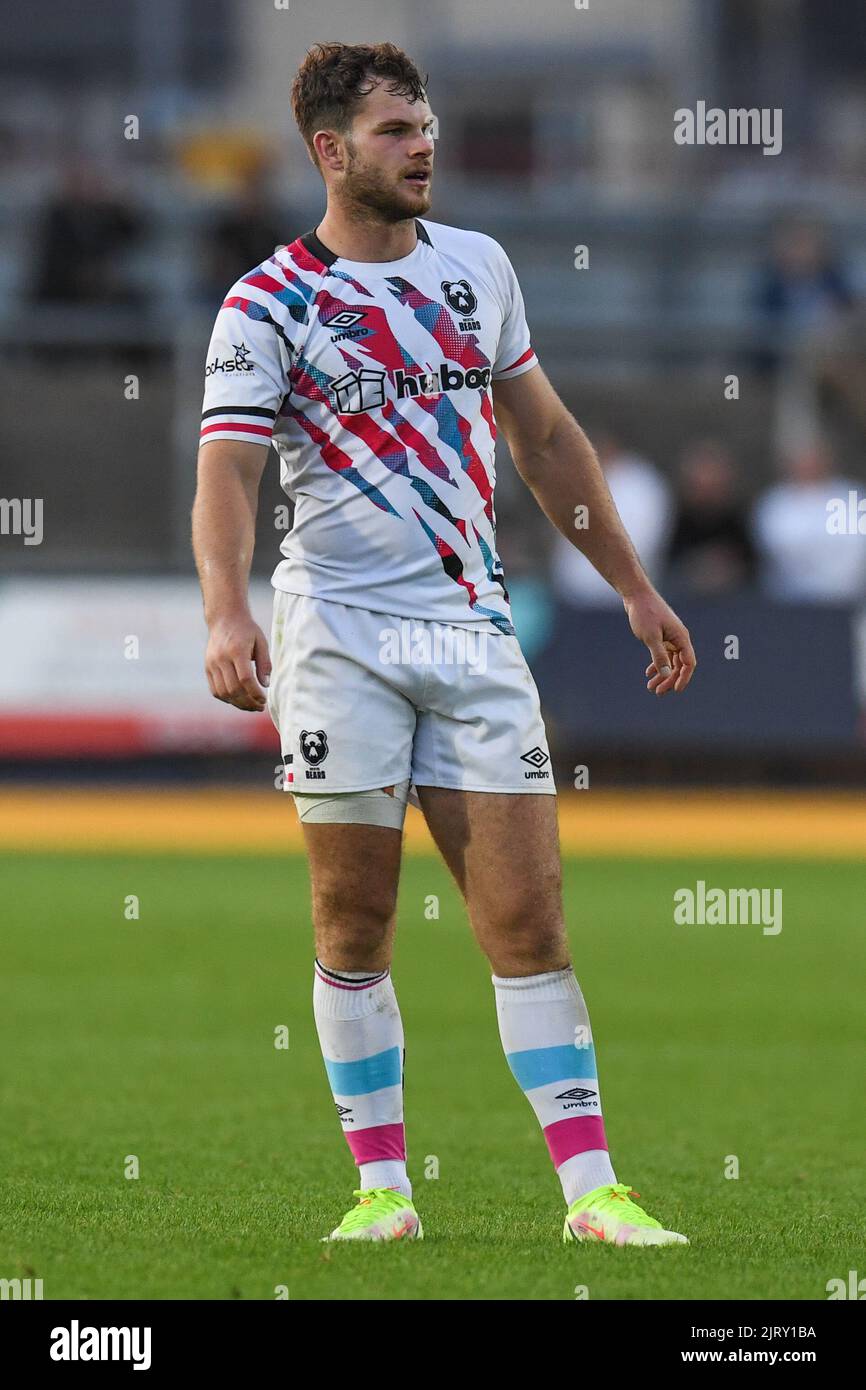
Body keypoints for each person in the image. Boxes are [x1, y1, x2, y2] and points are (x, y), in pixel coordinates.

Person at [192, 41, 695, 1248]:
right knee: (352, 920)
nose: (422, 145)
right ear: (329, 151)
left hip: (471, 631)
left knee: (526, 922)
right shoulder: (267, 303)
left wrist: (630, 583)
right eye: (393, 131)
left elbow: (546, 438)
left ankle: (592, 1195)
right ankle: (382, 1192)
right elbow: (227, 470)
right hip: (340, 640)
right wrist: (223, 607)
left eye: (423, 124)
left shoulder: (477, 266)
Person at [550, 431, 672, 607]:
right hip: (574, 594)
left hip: (624, 599)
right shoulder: (580, 477)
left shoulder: (641, 486)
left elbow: (644, 538)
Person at [752, 443, 866, 603]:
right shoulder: (774, 503)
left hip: (848, 598)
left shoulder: (853, 496)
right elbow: (778, 550)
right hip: (790, 601)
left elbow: (858, 548)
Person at [666, 440, 757, 595]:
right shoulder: (678, 518)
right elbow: (671, 561)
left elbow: (752, 563)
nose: (708, 486)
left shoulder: (739, 518)